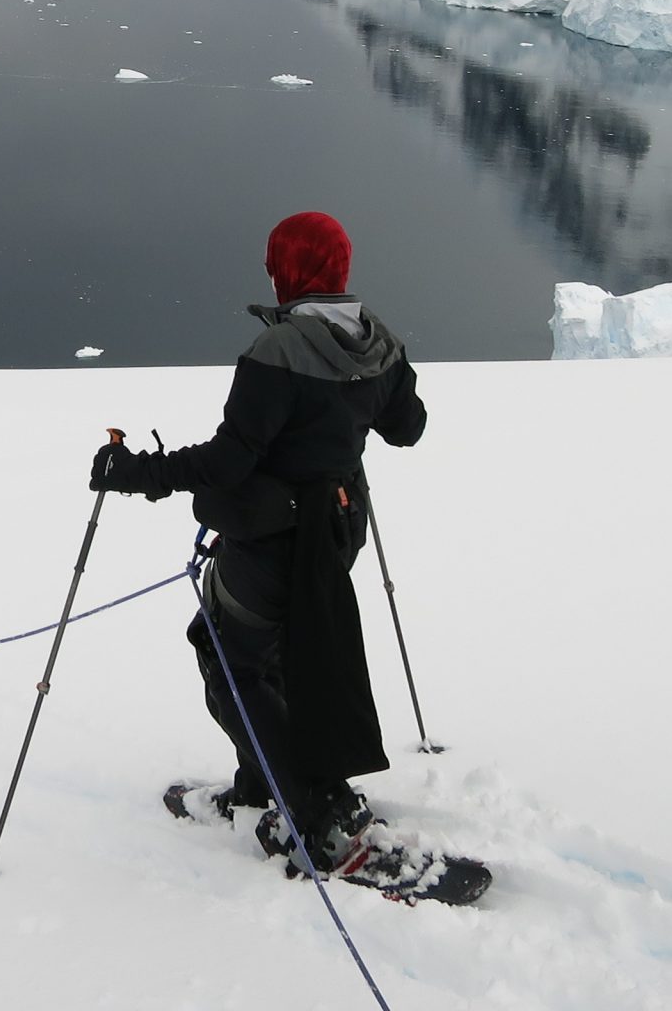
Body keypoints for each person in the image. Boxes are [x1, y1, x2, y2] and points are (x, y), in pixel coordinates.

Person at [88, 211, 426, 877]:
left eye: (275, 265)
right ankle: (257, 790)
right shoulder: (376, 341)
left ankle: (311, 814)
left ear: (289, 269)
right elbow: (407, 427)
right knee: (280, 654)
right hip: (335, 533)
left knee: (229, 662)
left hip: (273, 542)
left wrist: (135, 474)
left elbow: (227, 462)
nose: (270, 275)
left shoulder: (278, 351)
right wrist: (364, 398)